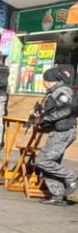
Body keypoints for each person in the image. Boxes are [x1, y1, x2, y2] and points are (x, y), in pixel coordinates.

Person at [31, 67, 78, 206]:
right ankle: (58, 195)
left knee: (42, 161)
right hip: (58, 131)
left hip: (63, 131)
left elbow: (67, 110)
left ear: (48, 81)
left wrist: (47, 119)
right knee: (51, 163)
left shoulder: (61, 91)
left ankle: (72, 177)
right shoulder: (55, 91)